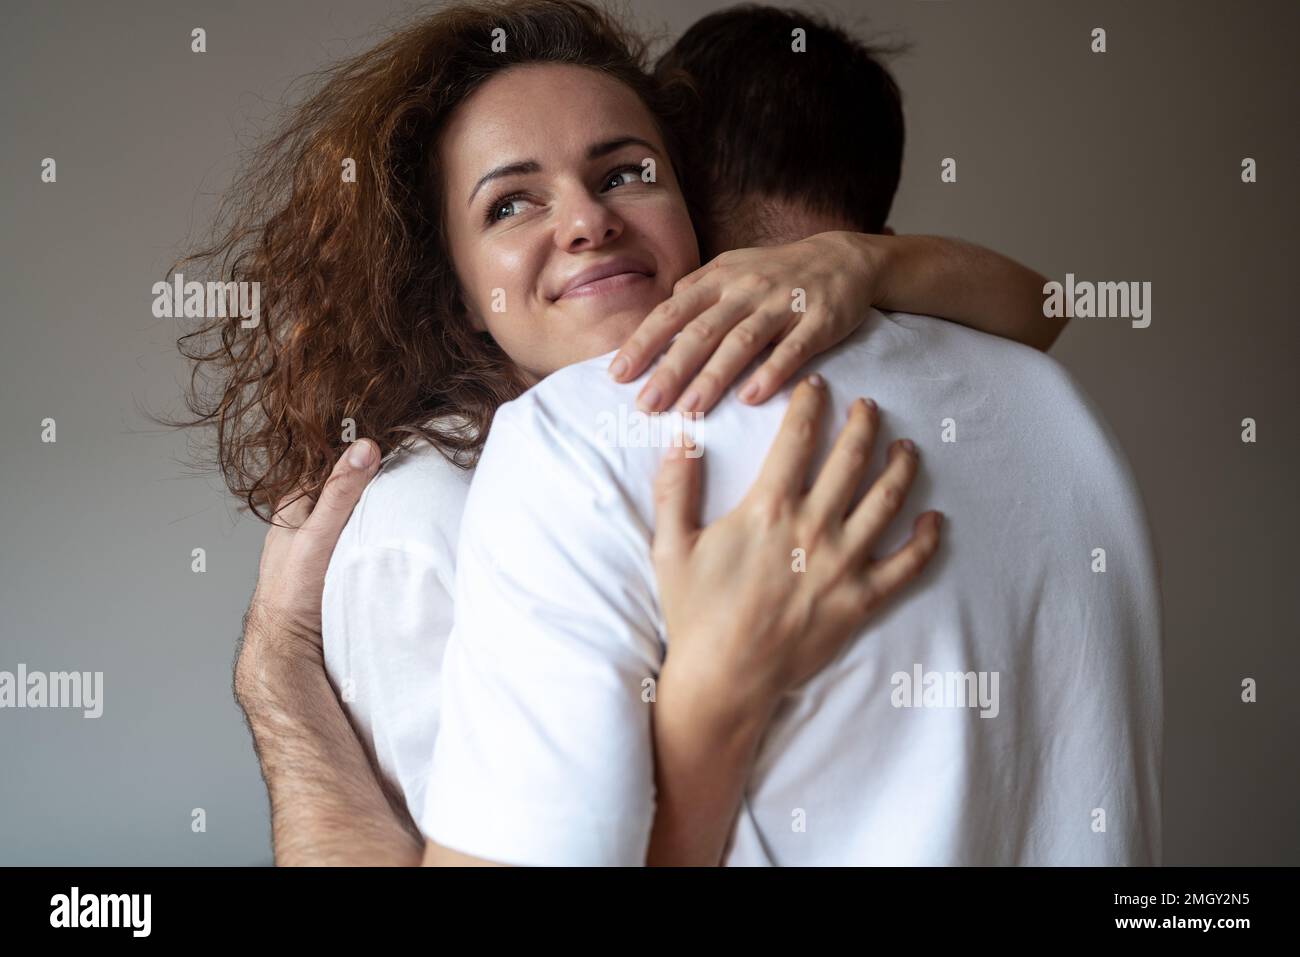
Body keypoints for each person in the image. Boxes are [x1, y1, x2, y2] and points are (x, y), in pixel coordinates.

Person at [205, 1, 1117, 865]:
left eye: (624, 174)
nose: (587, 220)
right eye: (510, 203)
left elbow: (1044, 306)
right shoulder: (423, 517)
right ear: (457, 294)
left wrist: (863, 260)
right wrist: (278, 676)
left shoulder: (679, 415)